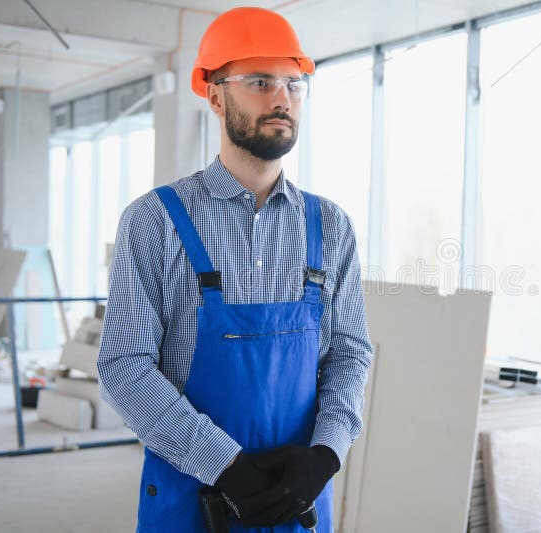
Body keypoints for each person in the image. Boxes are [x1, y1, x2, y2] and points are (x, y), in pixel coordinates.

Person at [97, 7, 372, 532]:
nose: (281, 99)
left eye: (294, 84)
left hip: (300, 504)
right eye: (260, 82)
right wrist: (224, 465)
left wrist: (326, 455)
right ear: (215, 94)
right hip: (190, 501)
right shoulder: (156, 221)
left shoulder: (330, 225)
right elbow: (124, 367)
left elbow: (351, 353)